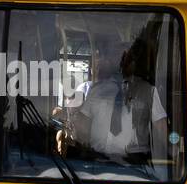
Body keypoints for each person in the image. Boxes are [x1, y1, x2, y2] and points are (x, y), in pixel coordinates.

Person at [59, 39, 168, 168]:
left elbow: (162, 131)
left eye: (127, 58)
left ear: (134, 62)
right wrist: (71, 118)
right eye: (119, 57)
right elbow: (82, 130)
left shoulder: (149, 92)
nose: (122, 63)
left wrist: (175, 151)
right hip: (97, 164)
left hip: (135, 167)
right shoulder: (97, 90)